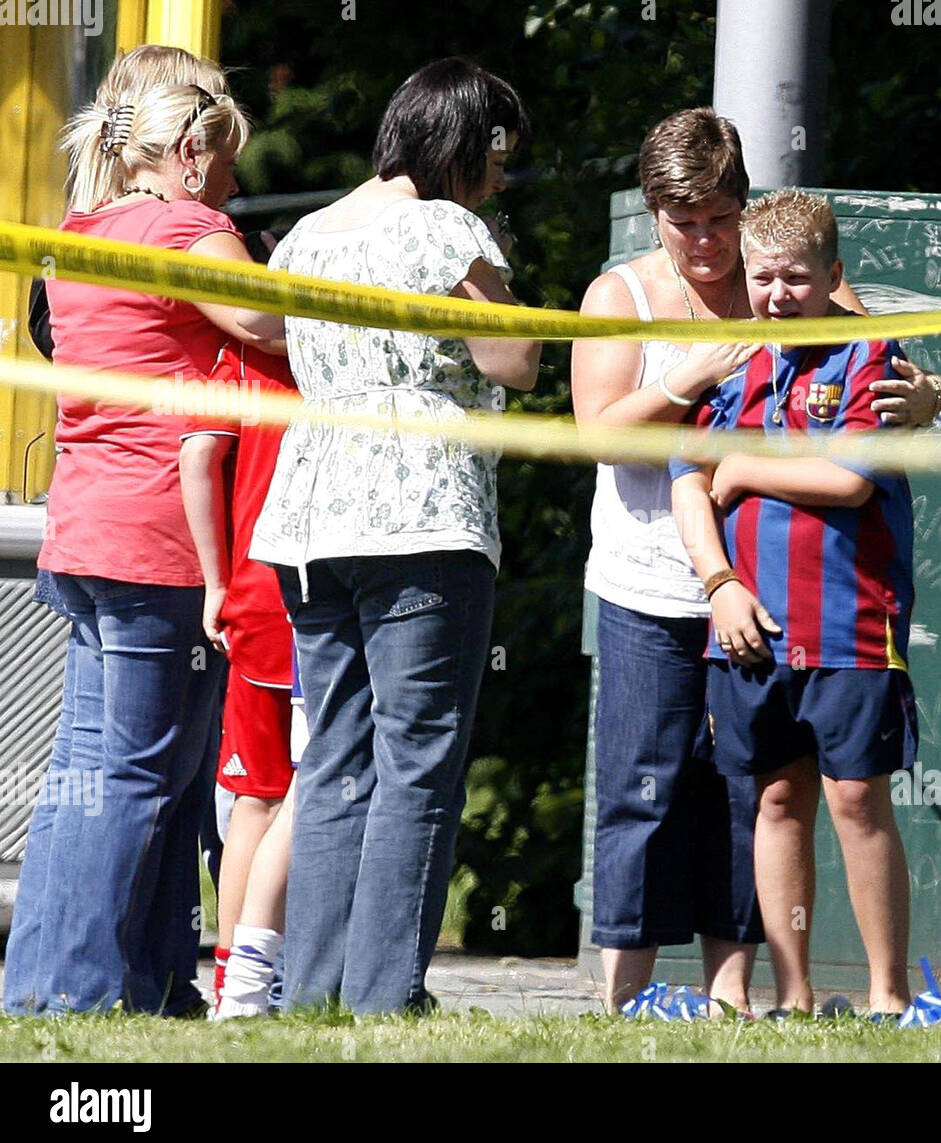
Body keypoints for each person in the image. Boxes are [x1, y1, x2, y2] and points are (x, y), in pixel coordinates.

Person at [570, 108, 941, 1014]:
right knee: (645, 791)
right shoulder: (623, 295)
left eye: (718, 218)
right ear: (652, 215)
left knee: (754, 799)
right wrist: (689, 380)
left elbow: (883, 366)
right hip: (655, 578)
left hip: (790, 596)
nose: (704, 240)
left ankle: (737, 989)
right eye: (680, 220)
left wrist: (928, 397)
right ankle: (625, 996)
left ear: (744, 208)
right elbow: (598, 437)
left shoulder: (784, 280)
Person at [246, 57, 539, 1015]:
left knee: (332, 760)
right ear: (462, 144)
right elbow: (519, 360)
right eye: (496, 161)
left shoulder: (309, 233)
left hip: (312, 519)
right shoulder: (446, 225)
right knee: (417, 760)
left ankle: (311, 994)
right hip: (423, 513)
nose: (500, 180)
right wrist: (498, 263)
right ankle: (384, 996)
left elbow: (290, 346)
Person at [3, 69, 281, 1016]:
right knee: (138, 778)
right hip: (160, 537)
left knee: (88, 777)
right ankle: (81, 993)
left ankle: (87, 984)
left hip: (84, 530)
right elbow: (269, 323)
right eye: (229, 167)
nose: (236, 190)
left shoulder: (78, 236)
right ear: (191, 153)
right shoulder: (186, 229)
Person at [669, 189, 917, 1018]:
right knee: (775, 800)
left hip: (850, 621)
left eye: (798, 279)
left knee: (855, 799)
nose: (779, 295)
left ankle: (889, 996)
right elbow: (685, 482)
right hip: (749, 629)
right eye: (765, 278)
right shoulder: (734, 362)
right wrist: (720, 584)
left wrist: (742, 471)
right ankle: (795, 997)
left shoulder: (870, 353)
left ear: (833, 277)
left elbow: (850, 480)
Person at [178, 339, 298, 1016]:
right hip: (334, 594)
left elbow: (197, 454)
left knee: (256, 796)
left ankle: (233, 979)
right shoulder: (349, 343)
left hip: (255, 595)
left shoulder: (238, 361)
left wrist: (216, 581)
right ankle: (266, 971)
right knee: (322, 784)